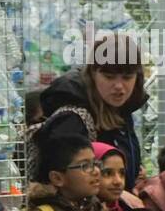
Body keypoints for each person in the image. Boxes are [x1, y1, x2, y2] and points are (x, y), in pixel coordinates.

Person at [34, 32, 147, 190]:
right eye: (109, 77)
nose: (119, 86)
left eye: (127, 78)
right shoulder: (72, 119)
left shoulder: (121, 111)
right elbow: (62, 183)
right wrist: (117, 194)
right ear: (93, 74)